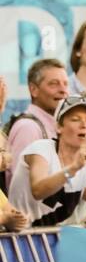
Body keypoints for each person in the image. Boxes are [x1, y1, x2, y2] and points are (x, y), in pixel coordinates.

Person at [8, 95, 86, 231]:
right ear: (59, 127)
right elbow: (38, 190)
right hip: (20, 241)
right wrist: (74, 168)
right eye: (76, 120)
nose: (84, 125)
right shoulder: (41, 149)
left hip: (52, 241)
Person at [5, 59, 68, 189]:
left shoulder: (53, 125)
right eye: (54, 84)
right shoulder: (28, 128)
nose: (63, 90)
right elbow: (20, 187)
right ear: (33, 89)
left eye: (65, 84)